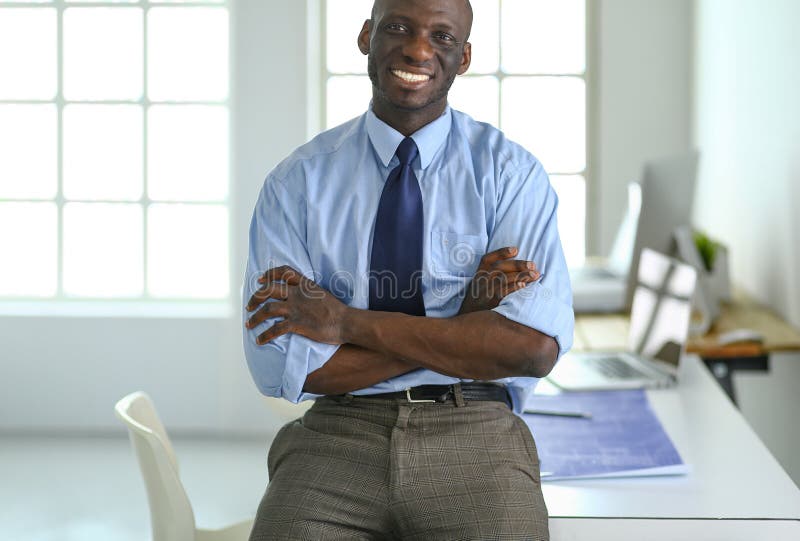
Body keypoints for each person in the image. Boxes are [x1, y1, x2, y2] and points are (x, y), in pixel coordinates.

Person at [242, 0, 573, 538]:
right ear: (365, 36)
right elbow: (285, 369)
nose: (418, 49)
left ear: (463, 58)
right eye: (398, 28)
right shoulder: (296, 184)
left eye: (441, 37)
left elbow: (531, 350)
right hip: (337, 434)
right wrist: (463, 325)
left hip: (476, 428)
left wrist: (344, 323)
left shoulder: (511, 175)